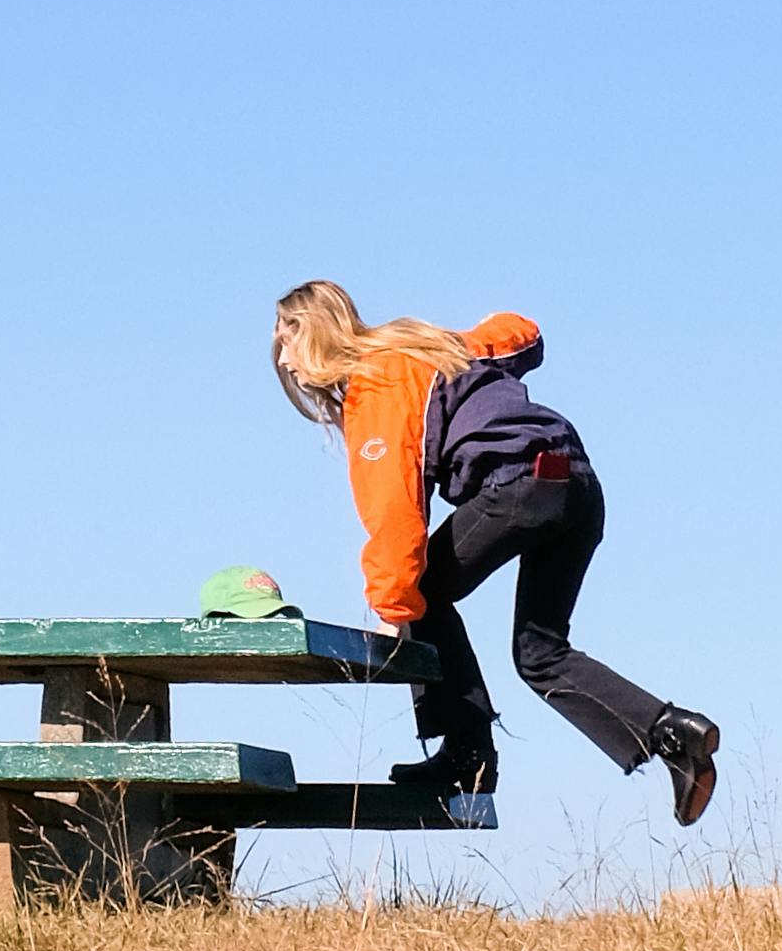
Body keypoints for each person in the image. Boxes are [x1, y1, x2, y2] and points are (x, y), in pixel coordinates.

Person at [269, 283, 720, 825]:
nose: (284, 358)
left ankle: (466, 759)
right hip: (575, 483)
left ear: (310, 333)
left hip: (521, 485)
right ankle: (672, 732)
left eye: (285, 341)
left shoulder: (377, 387)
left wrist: (392, 609)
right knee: (540, 654)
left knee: (421, 590)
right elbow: (519, 335)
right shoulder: (436, 348)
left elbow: (393, 514)